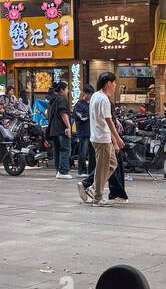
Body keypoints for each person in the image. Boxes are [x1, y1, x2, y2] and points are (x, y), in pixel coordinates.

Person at [78, 72, 124, 206]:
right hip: (102, 139)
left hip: (97, 137)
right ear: (109, 83)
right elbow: (108, 121)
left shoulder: (95, 96)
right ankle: (97, 198)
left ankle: (93, 188)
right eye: (114, 83)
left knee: (112, 164)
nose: (115, 86)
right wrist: (117, 138)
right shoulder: (104, 99)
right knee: (101, 168)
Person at [46, 80, 74, 179]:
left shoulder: (52, 100)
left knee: (57, 150)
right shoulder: (62, 99)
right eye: (67, 89)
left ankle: (58, 171)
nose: (68, 91)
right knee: (65, 149)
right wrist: (68, 126)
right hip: (62, 129)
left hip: (53, 129)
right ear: (62, 90)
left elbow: (47, 114)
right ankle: (63, 171)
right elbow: (63, 113)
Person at [72, 86, 93, 176]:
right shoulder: (79, 104)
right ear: (85, 93)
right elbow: (81, 117)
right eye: (89, 94)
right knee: (83, 152)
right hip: (83, 132)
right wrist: (90, 115)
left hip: (91, 132)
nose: (90, 96)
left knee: (92, 153)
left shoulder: (90, 104)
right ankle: (82, 171)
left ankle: (91, 171)